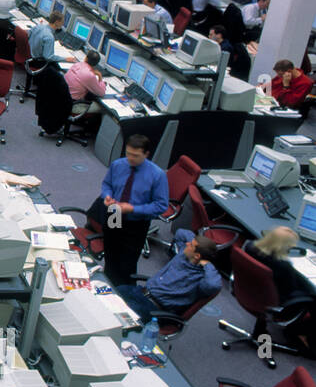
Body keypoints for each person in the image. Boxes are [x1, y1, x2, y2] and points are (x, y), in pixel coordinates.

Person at [93, 134, 169, 287]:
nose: (130, 158)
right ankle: (108, 288)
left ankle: (124, 292)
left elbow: (161, 205)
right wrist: (107, 196)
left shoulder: (157, 175)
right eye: (128, 153)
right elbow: (107, 184)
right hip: (114, 214)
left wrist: (133, 208)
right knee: (111, 254)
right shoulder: (118, 165)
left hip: (136, 224)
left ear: (146, 154)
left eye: (135, 155)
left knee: (127, 263)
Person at [115, 231, 222, 323]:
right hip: (141, 291)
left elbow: (213, 285)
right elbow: (181, 233)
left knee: (118, 316)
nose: (187, 243)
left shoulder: (200, 278)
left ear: (197, 256)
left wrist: (207, 264)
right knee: (108, 293)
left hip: (153, 307)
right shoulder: (182, 254)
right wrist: (197, 241)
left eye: (191, 245)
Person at [245, 228, 315, 356]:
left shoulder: (250, 247)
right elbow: (291, 289)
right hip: (276, 301)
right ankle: (304, 337)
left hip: (249, 290)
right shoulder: (283, 267)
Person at [64, 49, 107, 116]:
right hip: (73, 104)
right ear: (96, 64)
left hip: (63, 98)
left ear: (85, 58)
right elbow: (101, 93)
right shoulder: (90, 75)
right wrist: (100, 77)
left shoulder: (77, 65)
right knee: (100, 107)